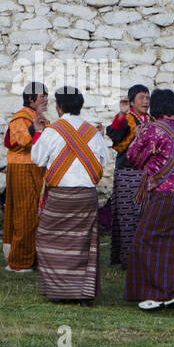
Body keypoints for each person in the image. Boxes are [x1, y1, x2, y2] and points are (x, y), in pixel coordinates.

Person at [31, 86, 111, 304]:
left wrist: (38, 133)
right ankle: (83, 292)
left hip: (60, 196)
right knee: (84, 244)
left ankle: (59, 290)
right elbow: (104, 161)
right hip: (86, 196)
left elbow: (37, 159)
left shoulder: (51, 131)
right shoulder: (92, 132)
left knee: (49, 239)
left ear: (58, 107)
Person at [124, 88, 174, 311]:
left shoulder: (152, 130)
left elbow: (133, 158)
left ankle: (158, 294)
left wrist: (138, 137)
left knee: (147, 241)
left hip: (165, 194)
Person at [3, 81, 49, 273]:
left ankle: (31, 256)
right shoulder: (21, 117)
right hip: (23, 168)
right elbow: (17, 141)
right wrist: (34, 129)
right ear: (31, 99)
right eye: (42, 96)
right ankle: (19, 261)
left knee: (33, 213)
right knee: (25, 214)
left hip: (34, 169)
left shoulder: (36, 116)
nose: (46, 99)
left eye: (46, 96)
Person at [105, 84, 151, 268]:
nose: (146, 101)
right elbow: (115, 134)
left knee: (145, 216)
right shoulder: (127, 119)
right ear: (131, 101)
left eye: (147, 98)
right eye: (141, 98)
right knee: (127, 217)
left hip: (147, 174)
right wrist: (122, 114)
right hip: (127, 174)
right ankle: (128, 258)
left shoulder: (151, 119)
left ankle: (144, 255)